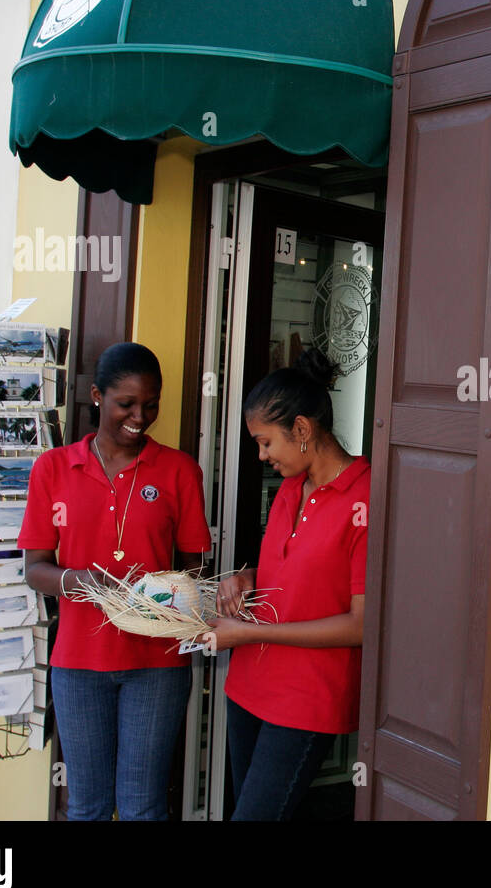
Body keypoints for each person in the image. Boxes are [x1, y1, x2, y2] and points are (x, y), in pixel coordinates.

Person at [18, 342, 213, 820]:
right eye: (126, 404)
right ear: (96, 396)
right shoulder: (53, 468)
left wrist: (168, 597)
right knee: (86, 806)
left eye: (151, 404)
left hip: (157, 665)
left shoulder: (180, 470)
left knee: (142, 806)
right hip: (79, 663)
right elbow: (35, 569)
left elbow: (195, 570)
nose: (140, 416)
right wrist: (84, 580)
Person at [204, 349, 369, 821]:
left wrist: (251, 633)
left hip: (306, 700)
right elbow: (292, 572)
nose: (261, 456)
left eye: (265, 442)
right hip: (249, 685)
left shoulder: (366, 496)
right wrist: (247, 578)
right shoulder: (290, 489)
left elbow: (360, 625)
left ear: (301, 430)